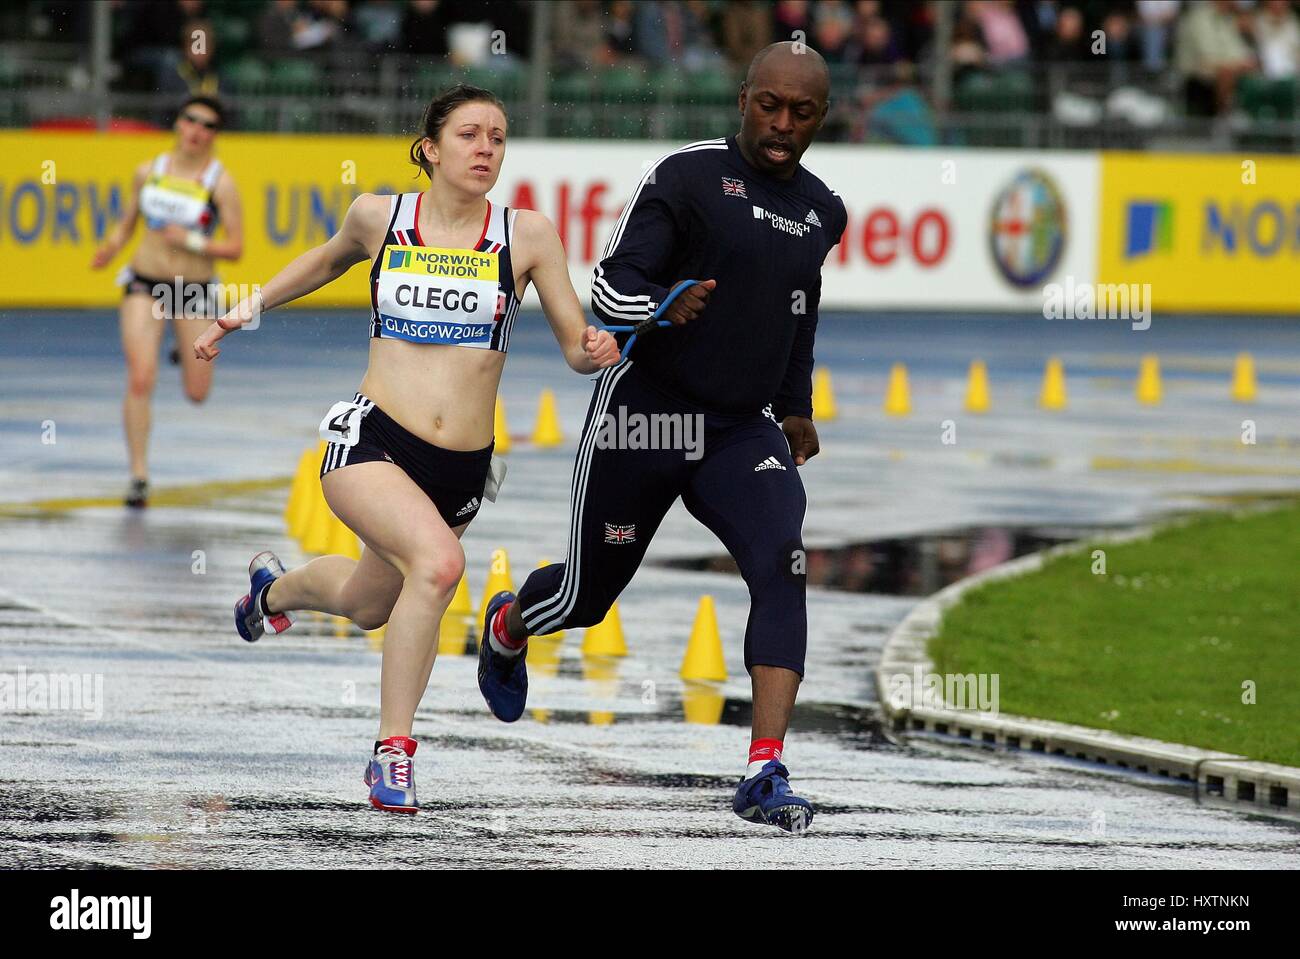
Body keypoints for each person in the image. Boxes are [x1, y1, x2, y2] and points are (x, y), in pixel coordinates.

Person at [191, 85, 620, 814]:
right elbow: (325, 261)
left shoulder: (528, 235)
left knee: (368, 604)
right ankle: (393, 753)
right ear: (431, 148)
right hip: (371, 442)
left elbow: (576, 349)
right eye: (470, 135)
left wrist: (595, 349)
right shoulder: (382, 217)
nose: (486, 149)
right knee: (440, 565)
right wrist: (244, 310)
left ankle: (269, 593)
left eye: (498, 138)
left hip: (458, 470)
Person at [478, 42, 848, 833]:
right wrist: (663, 302)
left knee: (784, 562)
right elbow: (611, 286)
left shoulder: (824, 210)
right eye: (769, 106)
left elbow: (799, 308)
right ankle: (508, 624)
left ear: (823, 115)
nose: (782, 125)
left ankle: (764, 769)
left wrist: (795, 402)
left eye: (802, 112)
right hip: (646, 412)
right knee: (585, 596)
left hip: (738, 431)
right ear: (743, 97)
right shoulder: (686, 176)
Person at [90, 95, 243, 508]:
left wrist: (190, 239)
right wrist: (110, 249)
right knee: (140, 376)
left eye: (208, 125)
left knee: (197, 393)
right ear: (177, 123)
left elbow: (235, 247)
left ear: (215, 135)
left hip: (191, 289)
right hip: (145, 283)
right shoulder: (149, 172)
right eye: (190, 119)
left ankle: (182, 346)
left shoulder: (219, 182)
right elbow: (127, 226)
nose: (197, 130)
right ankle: (138, 475)